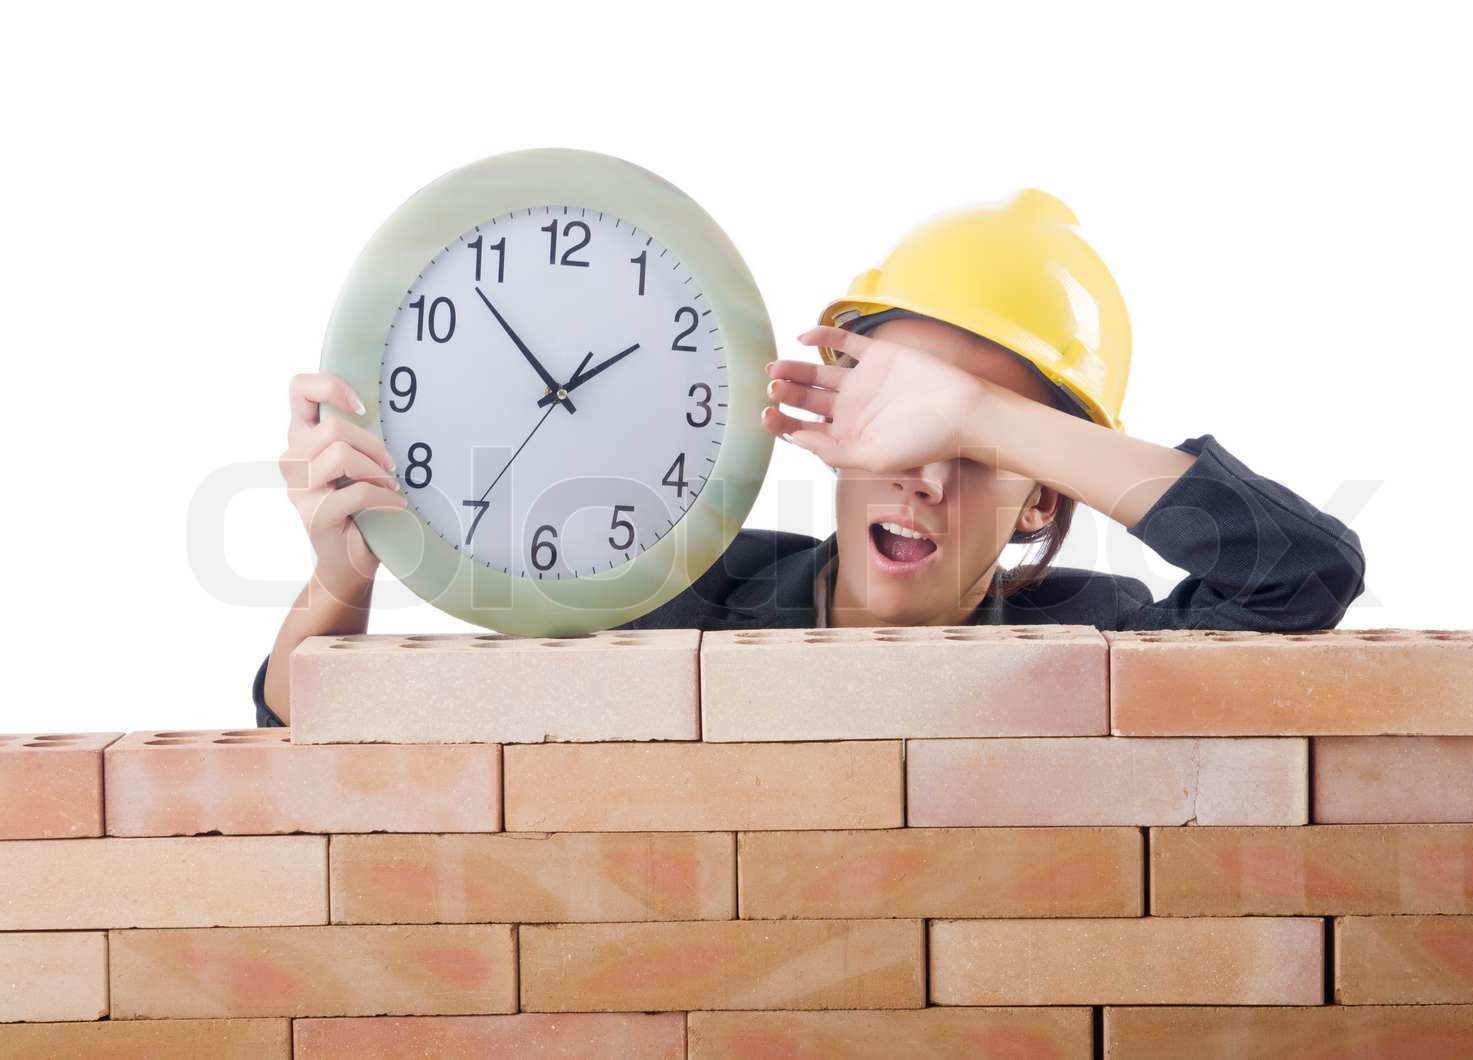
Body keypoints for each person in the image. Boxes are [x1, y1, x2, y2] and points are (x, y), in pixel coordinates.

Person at [252, 189, 1365, 726]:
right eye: (894, 419)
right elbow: (305, 729)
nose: (921, 472)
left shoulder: (1092, 637)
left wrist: (984, 411)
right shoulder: (682, 598)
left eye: (969, 445)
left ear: (1043, 503)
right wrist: (342, 577)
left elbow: (1301, 578)